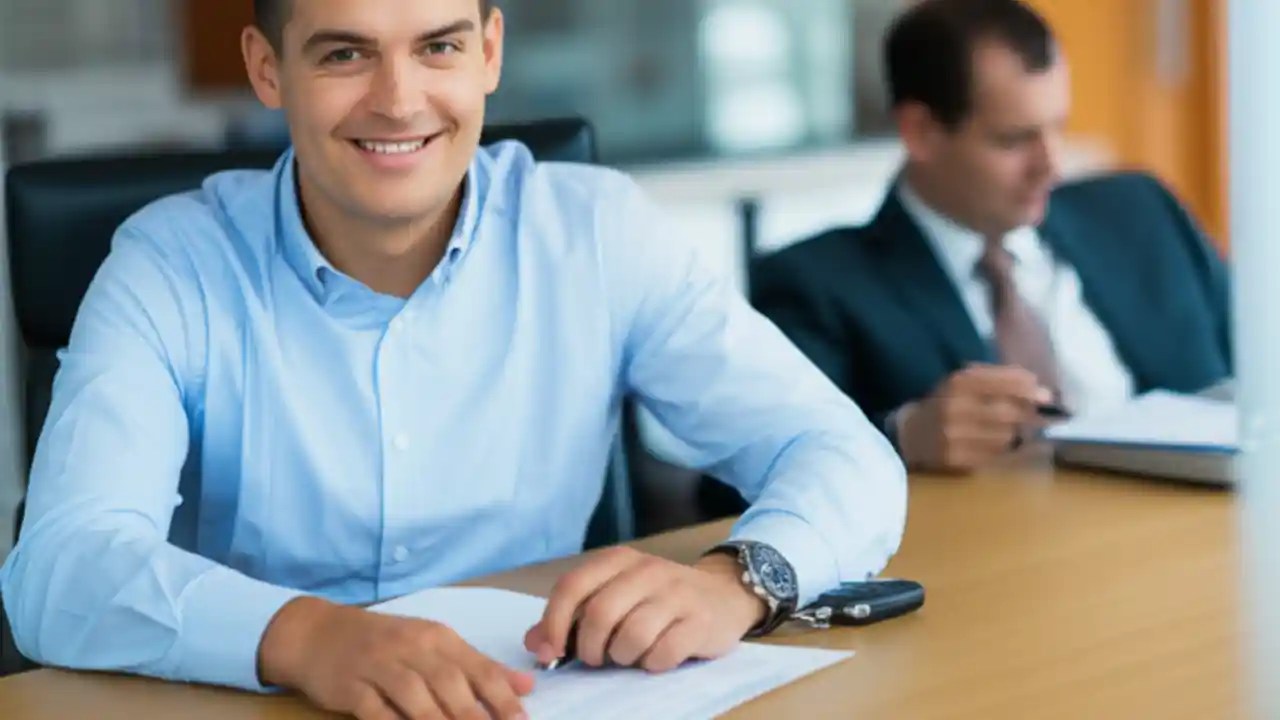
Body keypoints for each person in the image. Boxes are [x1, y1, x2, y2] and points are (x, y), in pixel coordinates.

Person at [0, 1, 907, 718]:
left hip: (530, 700)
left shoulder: (595, 232)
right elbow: (61, 570)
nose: (398, 100)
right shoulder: (171, 264)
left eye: (437, 47)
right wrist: (308, 637)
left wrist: (739, 581)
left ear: (490, 53)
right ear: (267, 68)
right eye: (344, 54)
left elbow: (846, 456)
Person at [752, 0, 1230, 474]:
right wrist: (903, 436)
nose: (1051, 165)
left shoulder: (1142, 212)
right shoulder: (816, 285)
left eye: (1058, 127)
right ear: (920, 131)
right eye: (1014, 139)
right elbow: (735, 480)